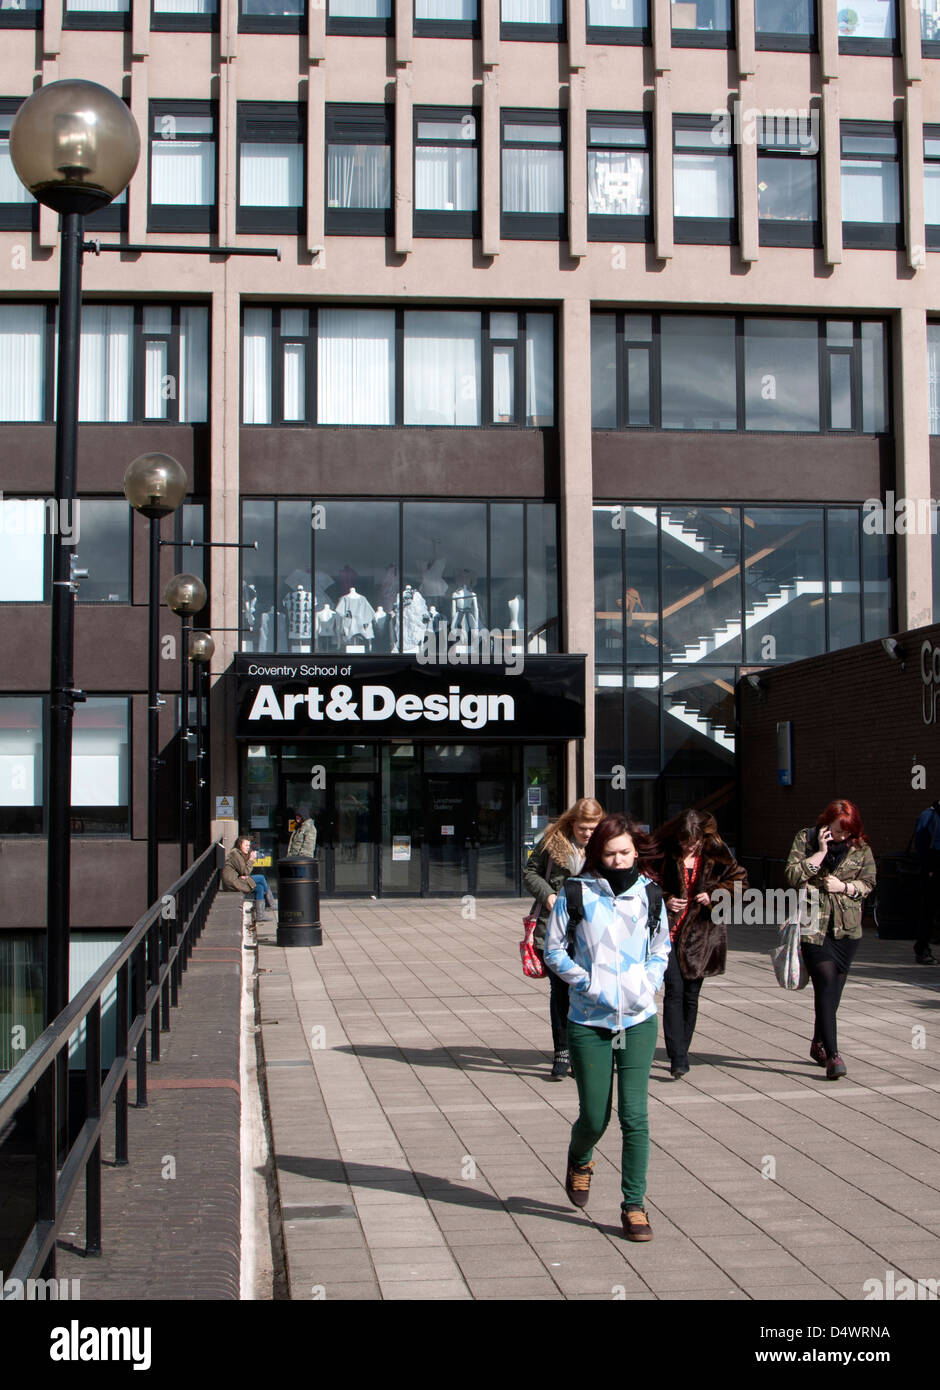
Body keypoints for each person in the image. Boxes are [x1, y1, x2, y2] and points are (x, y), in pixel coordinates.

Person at [543, 814, 670, 1242]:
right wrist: (588, 982)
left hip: (637, 1021)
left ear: (637, 852)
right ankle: (580, 1158)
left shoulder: (650, 895)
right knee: (595, 1118)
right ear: (597, 853)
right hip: (589, 1021)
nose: (618, 861)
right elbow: (554, 950)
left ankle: (634, 1206)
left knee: (635, 1117)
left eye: (625, 852)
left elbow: (661, 949)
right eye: (609, 853)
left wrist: (647, 984)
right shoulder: (576, 892)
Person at [785, 799, 876, 1080]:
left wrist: (844, 887)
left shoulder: (860, 847)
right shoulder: (807, 839)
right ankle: (834, 1056)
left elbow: (869, 883)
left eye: (847, 831)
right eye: (838, 830)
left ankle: (818, 1042)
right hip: (814, 925)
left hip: (847, 931)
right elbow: (792, 876)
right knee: (824, 982)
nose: (842, 836)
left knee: (833, 992)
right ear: (827, 823)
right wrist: (820, 854)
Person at [655, 809, 747, 1080]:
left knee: (691, 995)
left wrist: (715, 895)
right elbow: (645, 884)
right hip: (669, 933)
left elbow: (741, 882)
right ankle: (678, 1057)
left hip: (702, 934)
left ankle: (682, 1049)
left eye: (693, 842)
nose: (689, 846)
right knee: (673, 990)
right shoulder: (665, 852)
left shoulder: (716, 852)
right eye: (685, 842)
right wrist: (666, 898)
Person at [523, 797, 604, 1080]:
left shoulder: (606, 847)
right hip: (555, 929)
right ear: (572, 823)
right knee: (560, 993)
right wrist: (548, 895)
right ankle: (562, 1053)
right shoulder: (552, 842)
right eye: (583, 828)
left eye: (593, 828)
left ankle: (586, 1050)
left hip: (592, 932)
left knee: (587, 992)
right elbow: (530, 873)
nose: (588, 834)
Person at [912, 799, 940, 964]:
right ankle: (922, 949)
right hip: (933, 867)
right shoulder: (929, 816)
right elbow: (921, 843)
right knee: (929, 910)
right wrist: (929, 867)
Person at [222, 835, 274, 922]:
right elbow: (245, 871)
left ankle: (260, 916)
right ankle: (270, 903)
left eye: (249, 846)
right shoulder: (235, 854)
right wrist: (251, 859)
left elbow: (243, 872)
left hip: (237, 880)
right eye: (246, 845)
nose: (248, 848)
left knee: (259, 888)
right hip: (233, 882)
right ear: (239, 845)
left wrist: (242, 874)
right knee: (261, 878)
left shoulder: (239, 854)